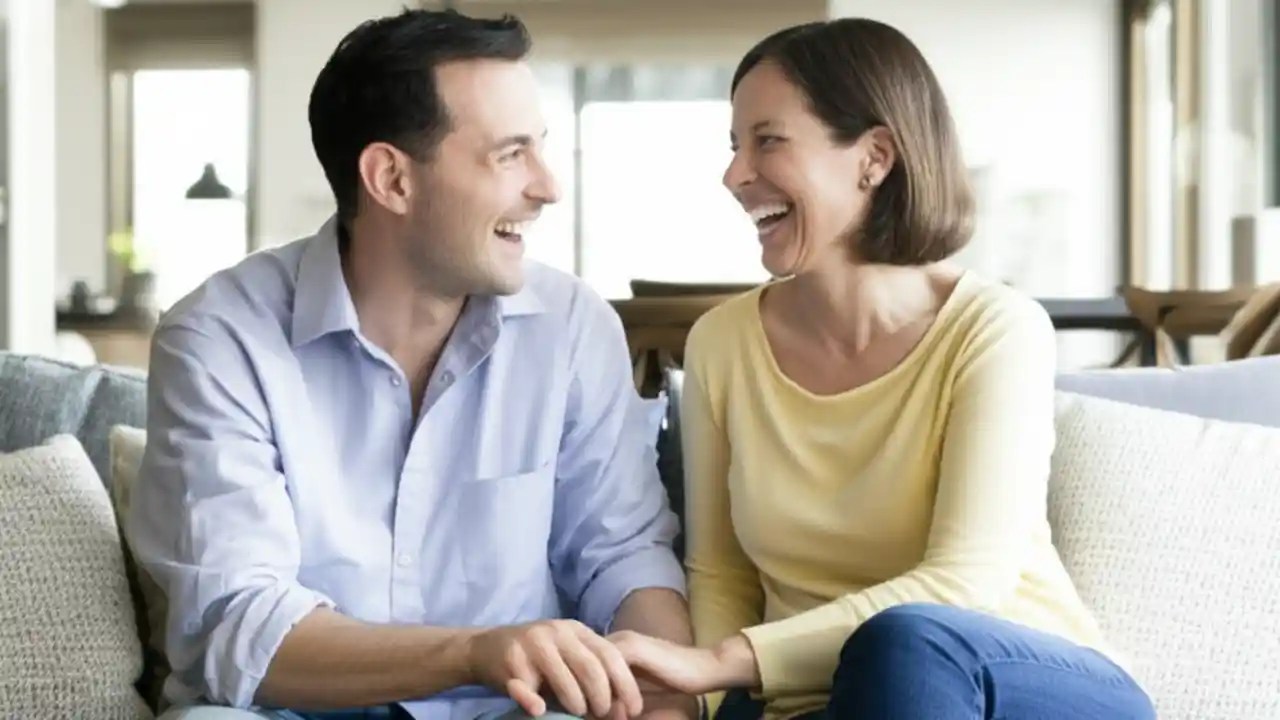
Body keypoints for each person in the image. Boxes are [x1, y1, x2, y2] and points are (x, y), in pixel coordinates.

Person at [127, 9, 695, 720]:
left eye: (540, 148)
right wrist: (474, 653)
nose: (547, 186)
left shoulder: (572, 326)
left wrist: (667, 707)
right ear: (391, 179)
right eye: (509, 154)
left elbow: (624, 557)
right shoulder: (218, 340)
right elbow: (242, 626)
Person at [610, 18, 1158, 720]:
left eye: (767, 140)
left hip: (1017, 687)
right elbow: (722, 577)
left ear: (874, 156)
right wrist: (699, 700)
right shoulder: (723, 344)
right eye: (733, 145)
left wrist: (723, 660)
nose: (734, 174)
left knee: (902, 644)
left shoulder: (994, 330)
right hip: (832, 703)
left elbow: (965, 583)